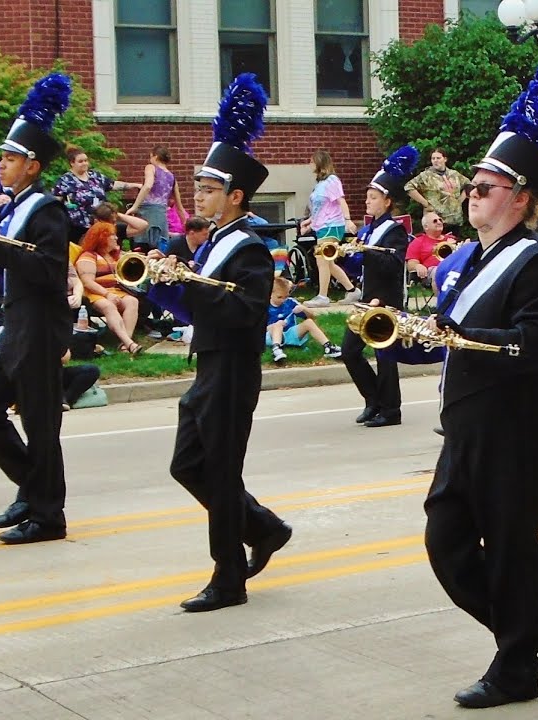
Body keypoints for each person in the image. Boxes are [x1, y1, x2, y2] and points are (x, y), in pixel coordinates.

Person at [422, 64, 538, 709]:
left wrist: (460, 339)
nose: (471, 196)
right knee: (445, 539)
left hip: (513, 432)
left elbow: (535, 347)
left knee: (513, 552)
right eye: (472, 188)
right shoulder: (469, 262)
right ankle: (524, 629)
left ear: (519, 198)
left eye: (484, 189)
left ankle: (516, 665)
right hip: (463, 427)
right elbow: (451, 332)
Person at [145, 73, 293, 612]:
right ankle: (265, 528)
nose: (199, 196)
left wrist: (189, 286)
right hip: (208, 364)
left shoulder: (248, 249)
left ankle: (228, 577)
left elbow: (246, 313)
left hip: (232, 368)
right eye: (199, 187)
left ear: (235, 196)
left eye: (208, 189)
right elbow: (201, 307)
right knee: (188, 465)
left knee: (221, 471)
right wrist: (166, 284)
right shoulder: (214, 244)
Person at [0, 73, 74, 544]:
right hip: (16, 324)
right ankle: (32, 489)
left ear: (32, 166)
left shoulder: (46, 210)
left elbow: (49, 269)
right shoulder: (13, 209)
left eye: (10, 159)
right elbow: (9, 268)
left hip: (41, 328)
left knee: (40, 423)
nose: (1, 165)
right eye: (3, 157)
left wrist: (0, 246)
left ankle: (48, 515)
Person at [341, 145, 417, 428]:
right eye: (368, 197)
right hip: (366, 300)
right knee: (349, 352)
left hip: (386, 300)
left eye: (373, 197)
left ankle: (391, 410)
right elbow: (361, 266)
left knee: (384, 355)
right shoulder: (368, 231)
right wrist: (346, 258)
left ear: (386, 202)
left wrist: (367, 251)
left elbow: (392, 264)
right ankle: (373, 399)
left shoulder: (394, 231)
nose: (367, 202)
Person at [301, 149, 360, 306]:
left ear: (320, 163)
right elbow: (321, 208)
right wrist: (310, 221)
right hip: (321, 226)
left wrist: (348, 220)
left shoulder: (332, 180)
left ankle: (322, 296)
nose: (310, 164)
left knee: (321, 259)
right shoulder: (320, 184)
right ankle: (352, 290)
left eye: (312, 161)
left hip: (332, 226)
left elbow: (341, 202)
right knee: (329, 263)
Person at [75, 221, 142, 354]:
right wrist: (107, 294)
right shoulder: (87, 256)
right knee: (108, 306)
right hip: (95, 293)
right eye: (112, 235)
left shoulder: (114, 256)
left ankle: (125, 343)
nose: (116, 238)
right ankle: (129, 343)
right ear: (102, 237)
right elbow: (88, 282)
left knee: (132, 301)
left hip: (116, 291)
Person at [53, 145, 141, 245]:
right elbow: (56, 202)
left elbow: (112, 184)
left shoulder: (95, 176)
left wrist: (133, 185)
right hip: (79, 228)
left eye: (86, 160)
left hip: (102, 224)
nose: (84, 163)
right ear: (72, 163)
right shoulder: (65, 181)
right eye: (80, 161)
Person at [267, 276, 342, 365]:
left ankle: (328, 347)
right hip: (271, 336)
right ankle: (276, 349)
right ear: (270, 294)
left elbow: (312, 317)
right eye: (279, 297)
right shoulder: (264, 306)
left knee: (309, 323)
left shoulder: (290, 302)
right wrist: (275, 326)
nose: (283, 300)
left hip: (290, 333)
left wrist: (304, 309)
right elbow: (259, 328)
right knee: (277, 326)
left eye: (286, 296)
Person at [124, 145, 184, 251]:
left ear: (155, 157)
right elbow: (179, 207)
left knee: (141, 248)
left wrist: (134, 206)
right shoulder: (172, 177)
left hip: (147, 214)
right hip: (161, 217)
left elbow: (147, 186)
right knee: (158, 250)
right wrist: (186, 226)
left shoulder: (151, 167)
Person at [404, 147, 469, 237]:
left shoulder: (454, 174)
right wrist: (425, 203)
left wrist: (460, 200)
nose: (435, 161)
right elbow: (408, 187)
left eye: (438, 158)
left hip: (455, 220)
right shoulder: (426, 176)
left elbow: (468, 184)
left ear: (445, 159)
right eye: (433, 158)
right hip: (436, 220)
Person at [405, 209, 451, 290]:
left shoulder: (451, 239)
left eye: (440, 220)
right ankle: (443, 302)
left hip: (454, 268)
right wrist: (417, 266)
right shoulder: (418, 242)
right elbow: (411, 264)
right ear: (426, 226)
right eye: (435, 221)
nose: (439, 222)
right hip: (432, 273)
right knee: (437, 272)